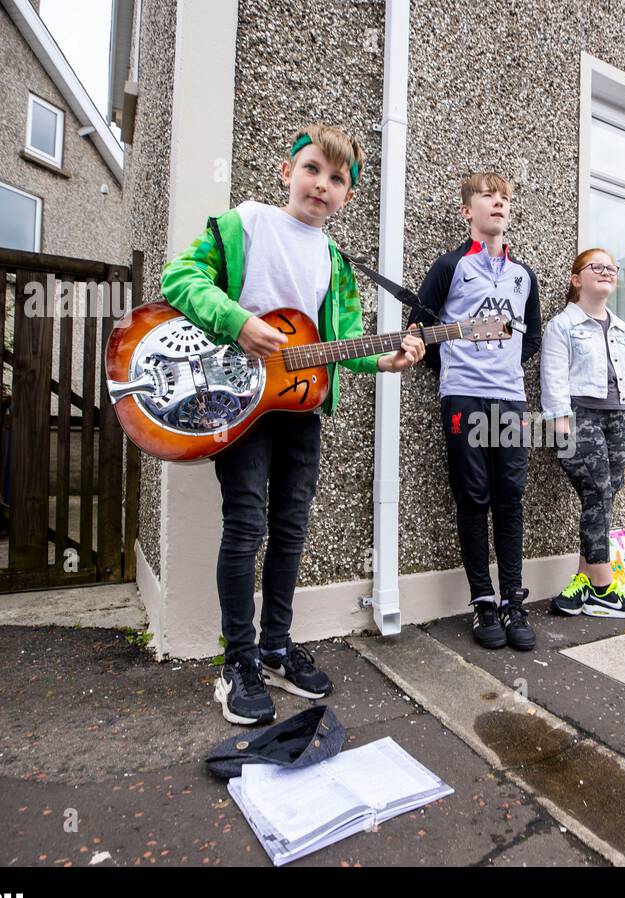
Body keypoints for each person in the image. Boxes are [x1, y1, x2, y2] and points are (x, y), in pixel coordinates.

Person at [161, 123, 426, 724]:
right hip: (237, 404)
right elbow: (179, 280)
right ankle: (238, 660)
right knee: (246, 523)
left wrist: (386, 357)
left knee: (290, 527)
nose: (322, 184)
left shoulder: (335, 259)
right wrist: (236, 321)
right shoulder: (244, 224)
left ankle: (276, 645)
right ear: (288, 171)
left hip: (303, 409)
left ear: (348, 197)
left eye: (337, 179)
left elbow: (344, 343)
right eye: (312, 169)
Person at [416, 172, 543, 651]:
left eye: (505, 197)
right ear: (467, 211)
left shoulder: (523, 275)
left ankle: (513, 598)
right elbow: (420, 330)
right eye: (488, 196)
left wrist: (503, 363)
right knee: (474, 497)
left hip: (511, 399)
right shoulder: (450, 266)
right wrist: (457, 366)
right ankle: (483, 601)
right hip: (462, 398)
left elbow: (530, 337)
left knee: (510, 497)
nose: (499, 203)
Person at [541, 248, 625, 618]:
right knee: (599, 489)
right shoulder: (562, 325)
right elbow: (554, 376)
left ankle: (583, 582)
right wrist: (561, 423)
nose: (606, 271)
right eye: (596, 266)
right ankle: (605, 588)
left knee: (602, 498)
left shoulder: (622, 329)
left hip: (618, 421)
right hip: (579, 416)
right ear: (577, 279)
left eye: (611, 268)